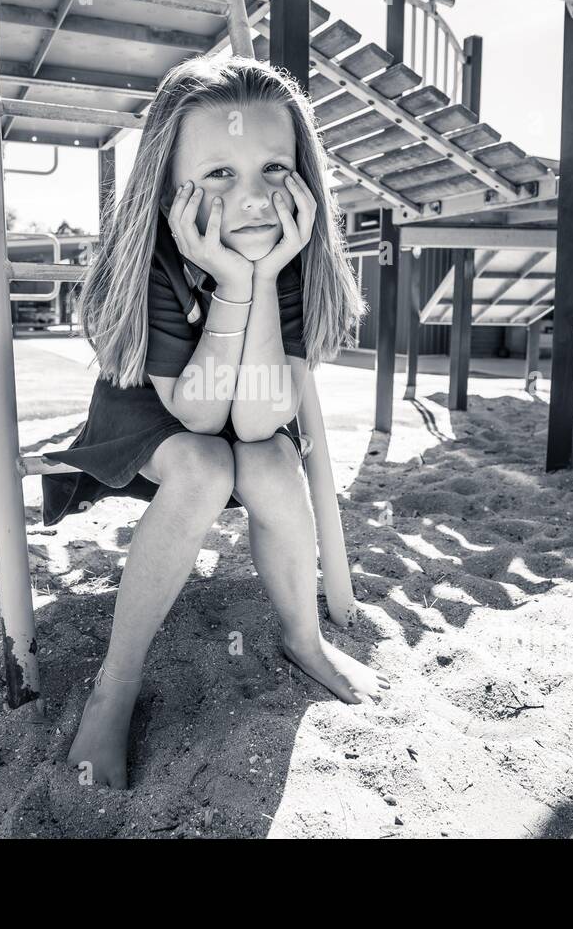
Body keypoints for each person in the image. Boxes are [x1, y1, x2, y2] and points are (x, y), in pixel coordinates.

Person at [41, 55, 388, 788]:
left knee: (272, 464)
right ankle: (115, 686)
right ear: (170, 186)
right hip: (152, 408)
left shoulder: (297, 259)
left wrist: (261, 274)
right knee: (203, 465)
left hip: (247, 412)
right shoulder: (153, 262)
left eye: (273, 168)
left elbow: (257, 423)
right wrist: (231, 283)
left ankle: (303, 638)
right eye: (220, 173)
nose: (254, 197)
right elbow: (196, 413)